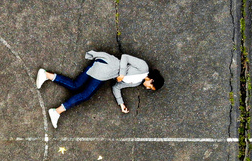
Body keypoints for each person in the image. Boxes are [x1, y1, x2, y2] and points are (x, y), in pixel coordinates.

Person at [36, 51, 165, 128]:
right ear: (152, 80)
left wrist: (121, 104)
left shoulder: (136, 82)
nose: (148, 88)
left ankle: (46, 75)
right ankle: (56, 111)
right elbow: (125, 57)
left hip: (105, 72)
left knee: (76, 85)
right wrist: (121, 73)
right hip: (107, 65)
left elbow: (116, 87)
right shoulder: (143, 67)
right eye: (151, 87)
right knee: (85, 94)